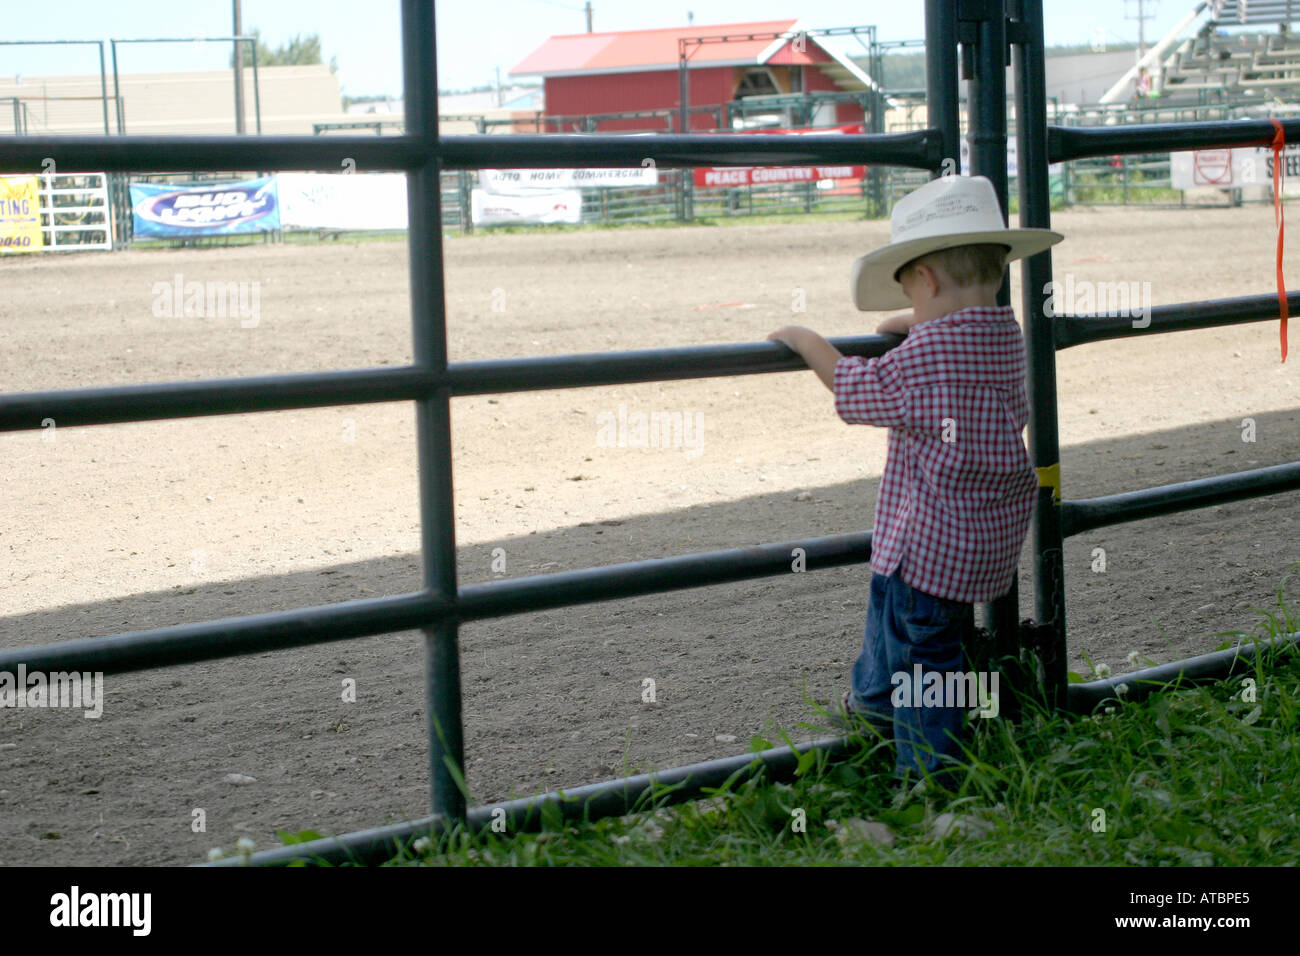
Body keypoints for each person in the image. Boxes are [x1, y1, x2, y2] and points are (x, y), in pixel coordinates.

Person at [766, 174, 1063, 791]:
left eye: (910, 293)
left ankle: (932, 780)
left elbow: (858, 389)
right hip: (982, 547)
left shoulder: (924, 358)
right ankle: (875, 712)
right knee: (904, 630)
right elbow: (957, 343)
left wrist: (805, 340)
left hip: (923, 548)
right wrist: (914, 320)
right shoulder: (1004, 336)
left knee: (927, 663)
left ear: (923, 279)